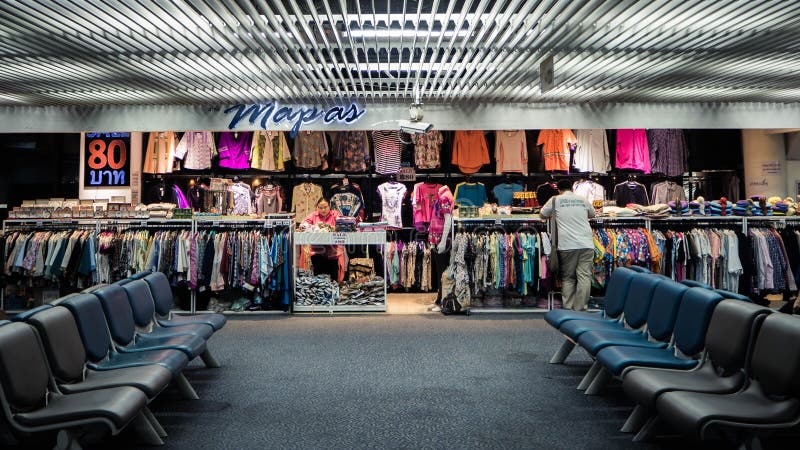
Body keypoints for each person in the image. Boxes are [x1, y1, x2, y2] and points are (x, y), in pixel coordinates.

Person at [540, 178, 596, 311]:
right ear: (572, 189)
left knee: (568, 277)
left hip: (567, 245)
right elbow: (592, 214)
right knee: (584, 276)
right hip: (586, 243)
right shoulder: (582, 199)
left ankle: (568, 306)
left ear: (558, 190)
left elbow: (542, 214)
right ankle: (581, 307)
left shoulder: (555, 200)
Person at [302, 198, 343, 281]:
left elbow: (342, 224)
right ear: (317, 207)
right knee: (319, 279)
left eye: (325, 207)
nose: (323, 209)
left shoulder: (335, 214)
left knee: (333, 279)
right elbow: (304, 224)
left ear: (329, 206)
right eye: (320, 207)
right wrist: (308, 227)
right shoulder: (313, 215)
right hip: (317, 252)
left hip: (332, 252)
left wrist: (334, 227)